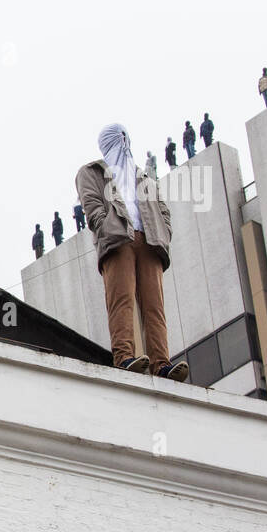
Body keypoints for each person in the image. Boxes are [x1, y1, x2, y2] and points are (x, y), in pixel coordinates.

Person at [76, 124, 186, 381]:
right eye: (118, 138)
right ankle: (124, 357)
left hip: (149, 241)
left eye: (125, 137)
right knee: (121, 301)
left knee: (154, 307)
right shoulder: (91, 172)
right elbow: (91, 205)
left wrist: (164, 231)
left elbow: (163, 209)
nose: (124, 143)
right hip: (117, 240)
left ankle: (162, 364)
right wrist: (106, 225)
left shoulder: (143, 177)